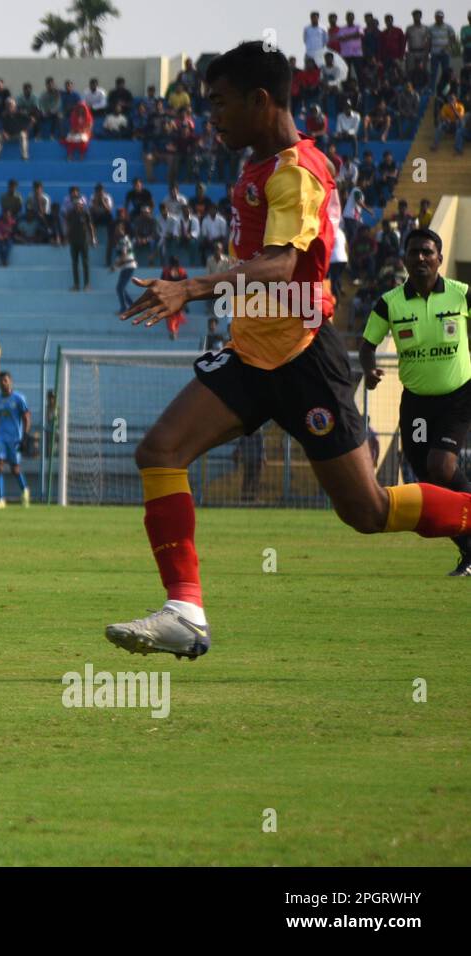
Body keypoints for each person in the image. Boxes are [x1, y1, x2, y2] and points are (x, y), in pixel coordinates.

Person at [109, 42, 471, 659]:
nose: (210, 117)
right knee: (160, 451)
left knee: (367, 509)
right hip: (252, 354)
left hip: (304, 358)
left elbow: (283, 263)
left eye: (220, 104)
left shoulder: (298, 169)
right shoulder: (258, 167)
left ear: (260, 100)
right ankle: (185, 611)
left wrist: (192, 287)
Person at [359, 228, 471, 576]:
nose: (420, 258)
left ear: (439, 257)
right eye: (414, 253)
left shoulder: (462, 295)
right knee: (429, 480)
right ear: (404, 259)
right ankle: (468, 551)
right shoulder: (389, 302)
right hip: (417, 404)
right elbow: (367, 346)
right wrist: (370, 370)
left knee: (442, 466)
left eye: (427, 252)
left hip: (457, 396)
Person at [0, 371, 31, 508]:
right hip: (0, 438)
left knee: (15, 469)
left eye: (5, 381)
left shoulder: (19, 398)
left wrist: (25, 436)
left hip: (15, 438)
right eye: (1, 381)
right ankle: (1, 499)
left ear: (10, 382)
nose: (3, 383)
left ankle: (25, 490)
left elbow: (26, 417)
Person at [64, 186, 96, 290]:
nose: (78, 206)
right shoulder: (70, 214)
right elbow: (68, 226)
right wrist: (66, 238)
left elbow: (90, 225)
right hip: (73, 241)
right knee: (75, 263)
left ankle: (87, 284)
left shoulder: (85, 213)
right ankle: (76, 284)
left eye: (80, 204)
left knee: (85, 263)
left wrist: (93, 238)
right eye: (76, 204)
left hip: (83, 241)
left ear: (82, 205)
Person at [109, 222, 137, 314]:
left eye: (119, 230)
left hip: (128, 266)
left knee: (119, 288)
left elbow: (124, 256)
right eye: (117, 230)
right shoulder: (121, 240)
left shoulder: (123, 240)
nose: (118, 232)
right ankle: (133, 306)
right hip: (125, 266)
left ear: (123, 230)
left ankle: (124, 309)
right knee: (121, 288)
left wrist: (115, 266)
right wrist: (116, 266)